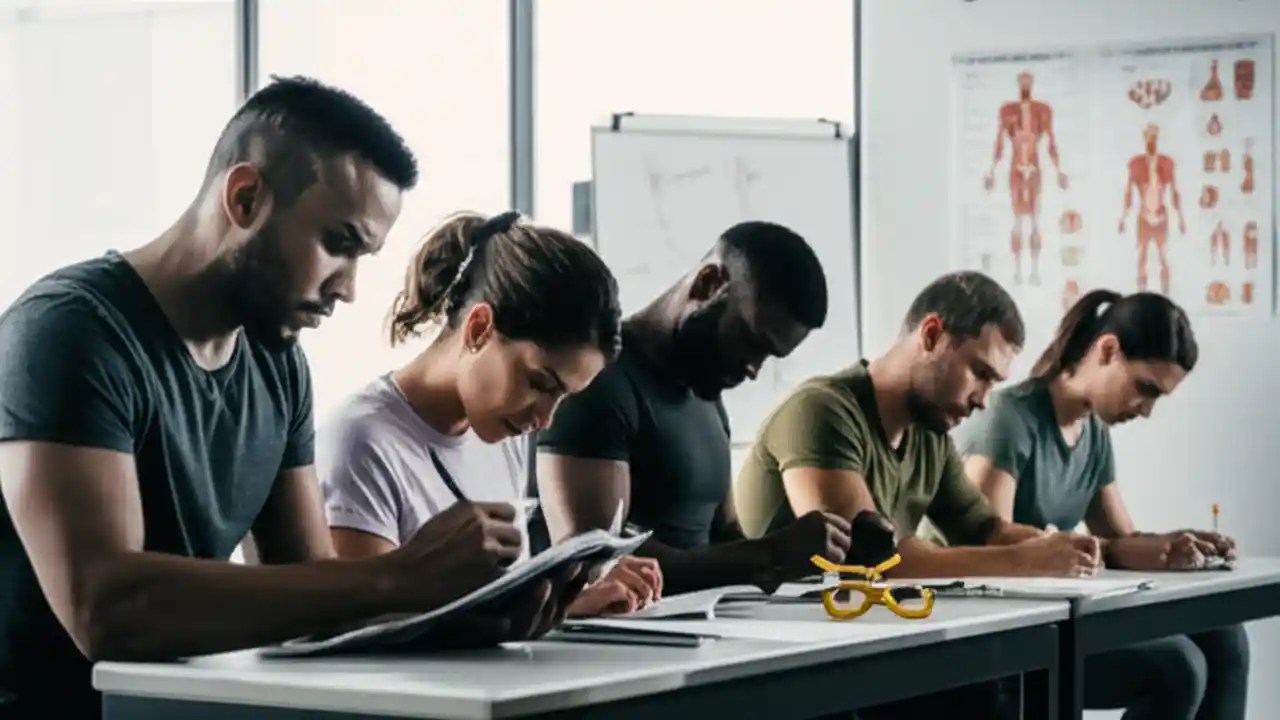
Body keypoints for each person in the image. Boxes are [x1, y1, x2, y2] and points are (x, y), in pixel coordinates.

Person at [0, 77, 577, 717]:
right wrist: (401, 576)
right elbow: (104, 609)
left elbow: (316, 602)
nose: (348, 288)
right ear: (245, 198)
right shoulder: (70, 331)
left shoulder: (279, 369)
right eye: (339, 244)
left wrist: (469, 618)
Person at [318, 211, 662, 617]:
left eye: (564, 398)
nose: (545, 420)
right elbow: (363, 627)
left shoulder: (502, 440)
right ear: (479, 328)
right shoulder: (361, 440)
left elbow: (489, 606)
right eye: (539, 383)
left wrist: (570, 604)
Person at [956, 289, 1249, 720]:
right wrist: (1121, 549)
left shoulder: (1092, 434)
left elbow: (1118, 541)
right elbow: (987, 544)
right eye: (1144, 389)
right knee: (1178, 667)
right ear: (1108, 350)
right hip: (1002, 631)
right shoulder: (1009, 418)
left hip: (1059, 616)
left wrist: (1179, 545)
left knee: (1226, 638)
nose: (1146, 410)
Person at [536, 221, 852, 595]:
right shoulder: (599, 381)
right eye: (750, 341)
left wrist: (825, 559)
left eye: (769, 357)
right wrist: (771, 553)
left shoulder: (708, 394)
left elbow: (727, 538)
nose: (752, 369)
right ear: (708, 283)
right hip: (627, 646)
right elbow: (595, 562)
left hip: (709, 633)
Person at [735, 271, 1102, 580]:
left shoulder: (929, 434)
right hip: (774, 647)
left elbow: (987, 532)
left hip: (853, 638)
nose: (983, 399)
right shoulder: (820, 411)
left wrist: (1054, 547)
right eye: (979, 373)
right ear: (930, 335)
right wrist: (1028, 561)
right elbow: (869, 564)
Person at [983, 70, 1068, 287]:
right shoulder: (1008, 111)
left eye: (1028, 82)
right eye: (1022, 82)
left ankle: (1035, 271)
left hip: (1034, 166)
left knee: (1036, 220)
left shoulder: (1042, 110)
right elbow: (999, 143)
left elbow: (1051, 142)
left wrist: (1059, 171)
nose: (1025, 86)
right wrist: (992, 171)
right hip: (1016, 168)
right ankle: (1017, 272)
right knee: (1018, 220)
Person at [1119, 123, 1186, 295]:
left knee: (1164, 256)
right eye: (1148, 137)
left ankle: (1166, 295)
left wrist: (1180, 218)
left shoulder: (1166, 163)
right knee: (1142, 257)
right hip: (1144, 216)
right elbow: (1128, 192)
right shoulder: (1136, 164)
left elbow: (1174, 191)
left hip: (1161, 216)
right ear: (1144, 139)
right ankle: (1141, 294)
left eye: (1153, 137)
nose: (1151, 141)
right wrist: (1123, 217)